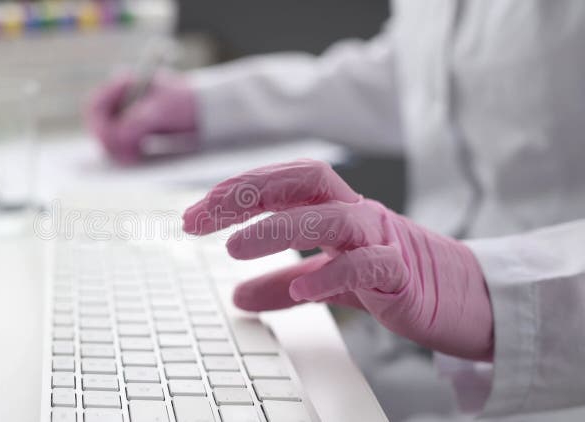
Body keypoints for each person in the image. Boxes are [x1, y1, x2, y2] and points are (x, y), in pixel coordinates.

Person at [87, 1, 585, 419]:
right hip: (398, 337)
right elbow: (425, 76)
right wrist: (206, 104)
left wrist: (497, 293)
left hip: (554, 377)